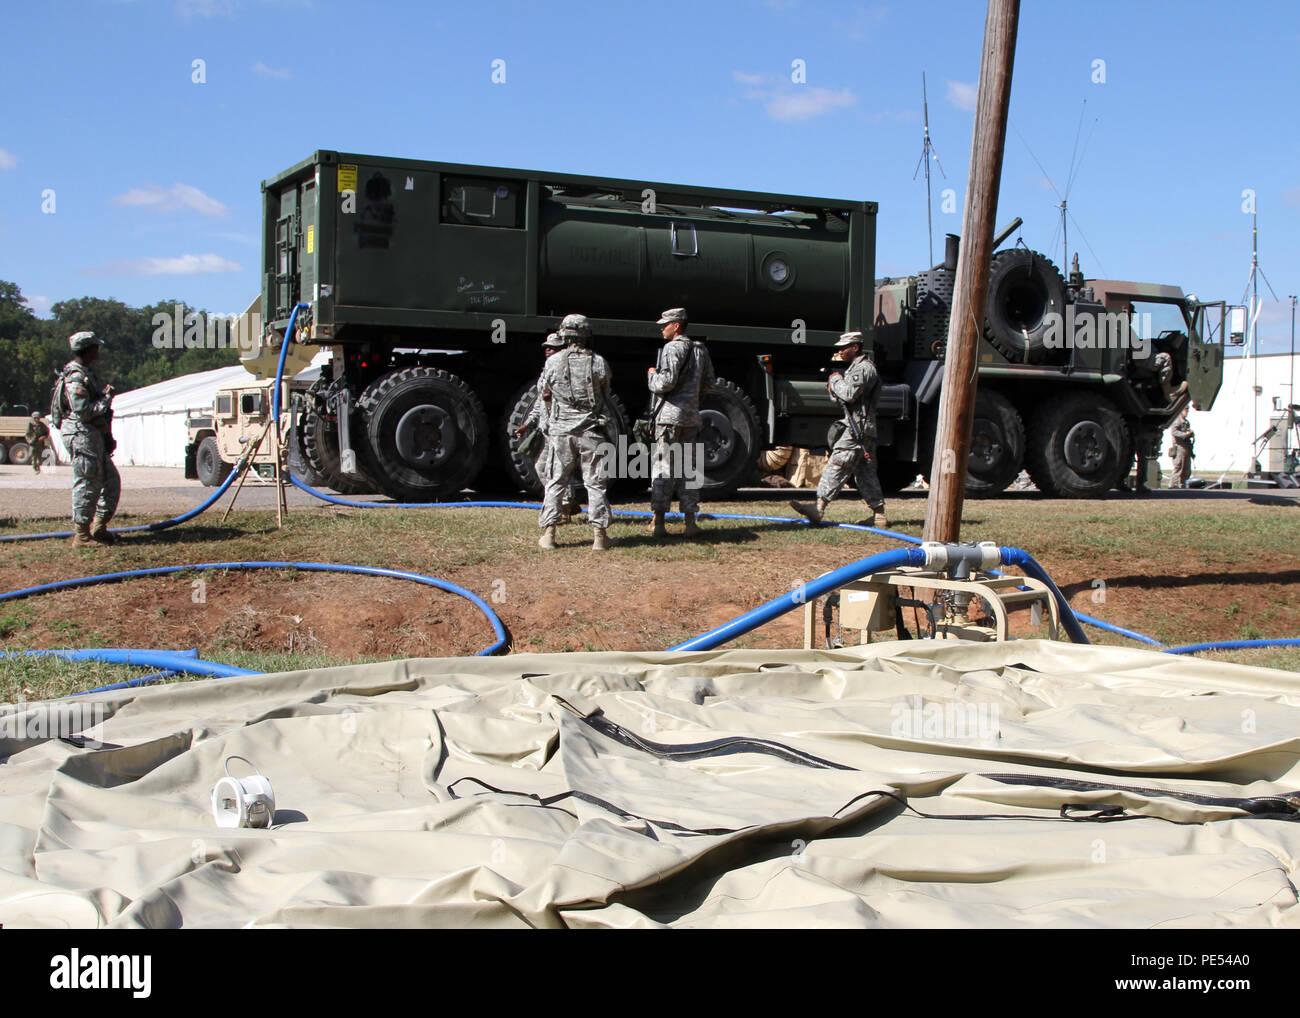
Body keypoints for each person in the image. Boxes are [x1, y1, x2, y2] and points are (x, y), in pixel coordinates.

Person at [790, 331, 886, 528]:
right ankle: (879, 516)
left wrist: (835, 380)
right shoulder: (855, 369)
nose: (840, 351)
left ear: (856, 347)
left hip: (857, 428)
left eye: (844, 347)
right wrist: (836, 388)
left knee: (838, 463)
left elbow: (849, 394)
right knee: (865, 472)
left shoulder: (864, 369)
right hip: (861, 427)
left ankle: (818, 508)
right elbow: (842, 399)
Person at [536, 314, 613, 551]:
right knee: (595, 483)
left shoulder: (553, 362)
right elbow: (606, 392)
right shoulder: (598, 362)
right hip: (591, 430)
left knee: (556, 481)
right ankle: (599, 537)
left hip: (561, 432)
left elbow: (543, 390)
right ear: (586, 335)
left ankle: (549, 535)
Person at [646, 308, 715, 538]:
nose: (662, 328)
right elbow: (709, 384)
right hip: (691, 417)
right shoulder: (700, 350)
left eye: (665, 324)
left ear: (676, 326)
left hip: (669, 418)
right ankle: (690, 522)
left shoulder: (672, 348)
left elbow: (666, 382)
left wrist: (651, 376)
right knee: (688, 470)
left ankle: (658, 522)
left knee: (663, 468)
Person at [55, 331, 120, 547]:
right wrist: (105, 400)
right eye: (95, 347)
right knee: (87, 483)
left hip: (92, 434)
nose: (98, 351)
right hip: (81, 434)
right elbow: (83, 411)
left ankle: (99, 528)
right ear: (88, 350)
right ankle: (82, 535)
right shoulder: (75, 377)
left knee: (111, 480)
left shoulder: (86, 373)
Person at [514, 332, 581, 523]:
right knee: (542, 466)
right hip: (546, 428)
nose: (548, 350)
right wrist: (528, 424)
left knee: (558, 468)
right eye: (546, 347)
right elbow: (539, 403)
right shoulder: (546, 371)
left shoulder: (565, 371)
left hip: (560, 427)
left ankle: (565, 508)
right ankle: (565, 503)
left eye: (552, 347)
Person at [1169, 411, 1194, 488]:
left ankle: (1184, 485)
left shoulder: (1186, 422)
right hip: (1179, 447)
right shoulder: (1177, 420)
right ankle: (1173, 485)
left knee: (1186, 470)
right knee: (1178, 467)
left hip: (1186, 448)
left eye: (1188, 410)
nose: (1187, 412)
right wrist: (1185, 435)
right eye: (1185, 409)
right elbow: (1174, 431)